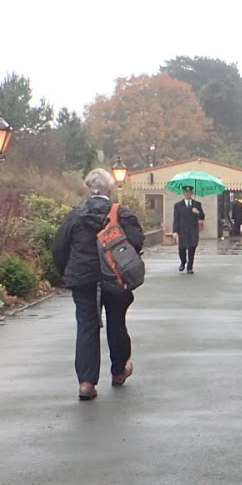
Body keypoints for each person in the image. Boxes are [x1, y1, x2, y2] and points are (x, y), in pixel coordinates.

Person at [53, 169, 145, 401]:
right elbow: (136, 241)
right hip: (115, 278)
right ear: (110, 190)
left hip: (83, 280)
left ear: (87, 189)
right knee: (116, 323)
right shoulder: (121, 214)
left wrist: (68, 273)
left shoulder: (74, 215)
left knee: (86, 327)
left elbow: (59, 248)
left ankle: (86, 382)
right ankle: (118, 371)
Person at [172, 184, 205, 273]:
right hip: (182, 231)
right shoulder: (178, 206)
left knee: (192, 249)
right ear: (184, 193)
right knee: (181, 249)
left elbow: (202, 217)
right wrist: (175, 231)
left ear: (192, 193)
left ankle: (190, 267)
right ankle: (183, 261)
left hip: (193, 231)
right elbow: (176, 219)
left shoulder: (197, 204)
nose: (187, 194)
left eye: (189, 192)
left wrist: (197, 212)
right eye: (186, 192)